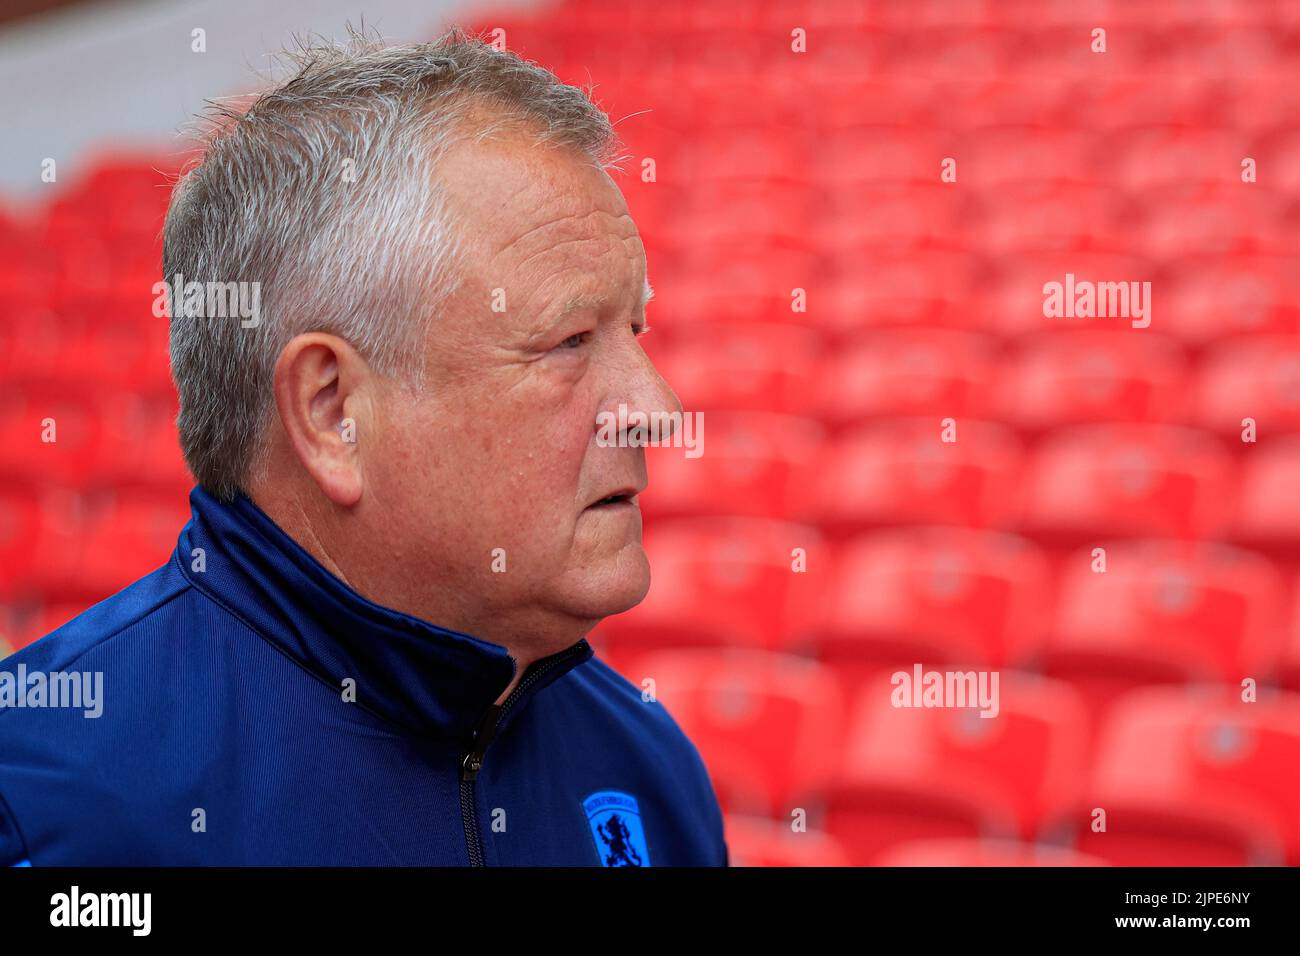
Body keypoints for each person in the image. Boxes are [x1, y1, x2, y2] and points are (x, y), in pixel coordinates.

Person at [0, 27, 728, 866]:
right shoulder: (46, 810)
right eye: (568, 341)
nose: (655, 408)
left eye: (634, 329)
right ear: (333, 412)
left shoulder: (644, 766)